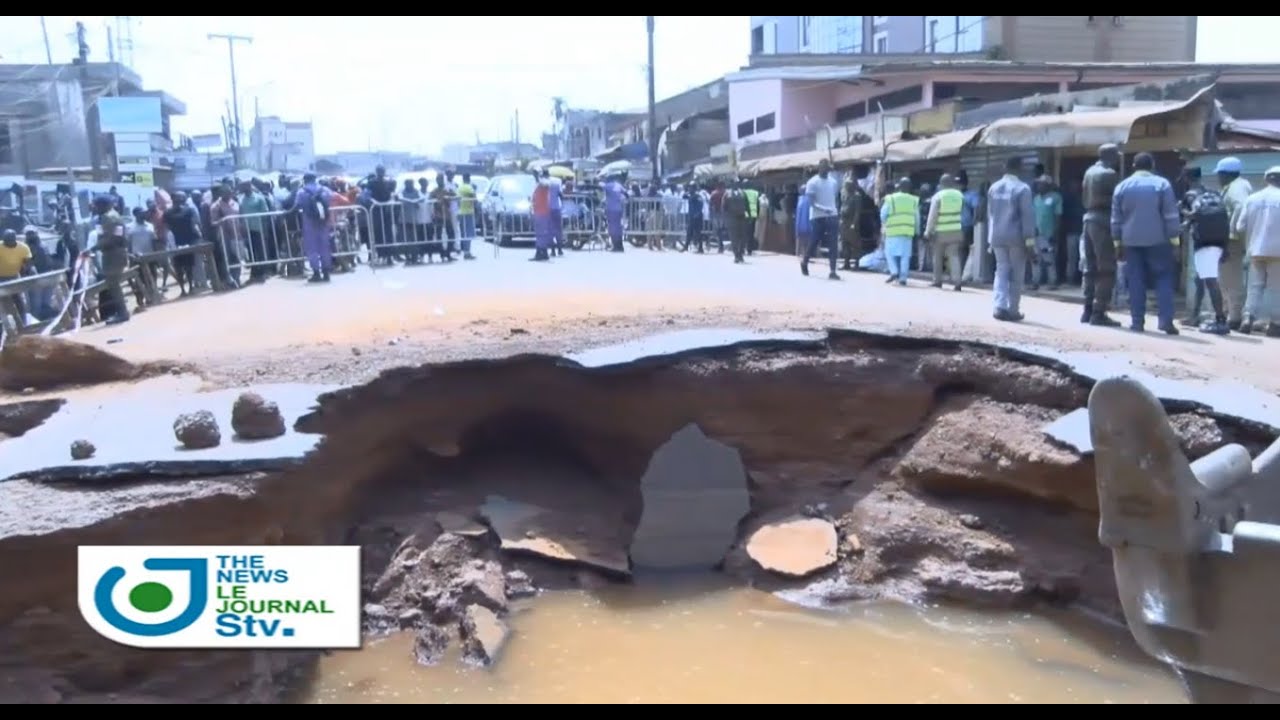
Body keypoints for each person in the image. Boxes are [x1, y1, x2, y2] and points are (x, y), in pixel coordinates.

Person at [1111, 152, 1181, 335]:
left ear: (1134, 166)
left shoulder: (1121, 187)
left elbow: (1115, 219)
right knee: (1164, 279)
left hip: (1131, 241)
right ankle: (1166, 321)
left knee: (1135, 280)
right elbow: (1171, 216)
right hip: (1159, 241)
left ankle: (1137, 322)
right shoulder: (1162, 185)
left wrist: (1117, 243)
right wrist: (1175, 241)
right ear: (1152, 166)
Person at [1180, 167, 1231, 334]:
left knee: (1210, 281)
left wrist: (1182, 211)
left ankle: (1220, 321)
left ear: (1187, 178)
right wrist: (1225, 247)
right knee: (1200, 278)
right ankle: (1195, 316)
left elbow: (1189, 219)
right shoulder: (1213, 194)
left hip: (1203, 243)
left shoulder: (1190, 195)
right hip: (1218, 242)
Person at [986, 156, 1036, 322]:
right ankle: (1013, 309)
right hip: (1016, 238)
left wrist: (990, 240)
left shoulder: (994, 188)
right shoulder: (1023, 189)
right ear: (1020, 168)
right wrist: (1030, 243)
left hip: (997, 237)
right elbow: (1027, 218)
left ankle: (999, 307)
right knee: (1016, 274)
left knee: (1001, 271)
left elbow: (991, 216)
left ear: (1004, 167)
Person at [1234, 165, 1280, 337]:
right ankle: (1275, 324)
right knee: (1277, 288)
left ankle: (1248, 318)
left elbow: (1240, 226)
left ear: (1266, 179)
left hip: (1255, 250)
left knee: (1255, 287)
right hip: (1278, 252)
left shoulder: (1252, 199)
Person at [1081, 144, 1123, 326]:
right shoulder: (1109, 174)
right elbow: (1117, 200)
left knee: (1090, 268)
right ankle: (1099, 312)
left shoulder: (1089, 171)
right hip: (1103, 221)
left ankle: (1087, 309)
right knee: (1106, 269)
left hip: (1088, 219)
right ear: (1111, 156)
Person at [1215, 157, 1255, 330]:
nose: (1218, 178)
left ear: (1226, 174)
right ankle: (1228, 312)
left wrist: (1233, 230)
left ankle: (1235, 316)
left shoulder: (1237, 187)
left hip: (1232, 240)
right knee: (1225, 278)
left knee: (1231, 278)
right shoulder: (1235, 186)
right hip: (1229, 240)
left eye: (1220, 174)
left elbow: (1240, 207)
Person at [84, 195, 130, 324]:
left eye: (95, 205)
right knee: (113, 285)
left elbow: (110, 239)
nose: (93, 208)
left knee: (113, 285)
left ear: (102, 205)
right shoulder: (113, 215)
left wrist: (92, 248)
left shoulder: (108, 217)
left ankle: (122, 313)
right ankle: (121, 311)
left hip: (112, 254)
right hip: (115, 253)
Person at [801, 159, 841, 280]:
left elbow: (834, 198)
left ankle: (833, 271)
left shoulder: (833, 182)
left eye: (828, 168)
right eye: (824, 167)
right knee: (814, 242)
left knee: (833, 244)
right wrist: (824, 209)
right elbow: (812, 203)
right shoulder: (812, 182)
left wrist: (834, 211)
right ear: (819, 168)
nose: (826, 170)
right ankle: (805, 262)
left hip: (832, 215)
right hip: (818, 217)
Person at [926, 173, 965, 291]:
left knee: (937, 257)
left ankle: (937, 281)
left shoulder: (938, 196)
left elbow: (932, 216)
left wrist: (928, 231)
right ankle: (957, 282)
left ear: (941, 184)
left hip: (940, 232)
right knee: (954, 256)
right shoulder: (959, 195)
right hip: (955, 230)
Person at [293, 173, 333, 283]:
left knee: (312, 248)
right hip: (323, 221)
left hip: (309, 222)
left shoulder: (302, 191)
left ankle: (316, 273)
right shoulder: (325, 190)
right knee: (325, 246)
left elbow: (297, 205)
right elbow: (331, 199)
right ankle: (326, 273)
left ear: (305, 180)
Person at [880, 177, 919, 286]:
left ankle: (894, 272)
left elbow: (883, 214)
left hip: (892, 230)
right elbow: (917, 217)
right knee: (905, 256)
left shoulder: (891, 199)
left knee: (889, 253)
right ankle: (903, 278)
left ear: (899, 187)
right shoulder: (913, 200)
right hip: (907, 232)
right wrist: (917, 231)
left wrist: (886, 224)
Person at [163, 191, 202, 296]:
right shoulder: (167, 213)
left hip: (188, 242)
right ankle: (182, 289)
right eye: (177, 197)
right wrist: (169, 243)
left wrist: (198, 236)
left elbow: (194, 224)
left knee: (189, 266)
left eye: (181, 198)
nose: (179, 199)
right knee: (178, 268)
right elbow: (167, 229)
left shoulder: (188, 210)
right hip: (175, 244)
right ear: (172, 199)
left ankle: (190, 287)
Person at [1031, 176, 1063, 290]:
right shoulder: (1036, 198)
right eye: (1038, 184)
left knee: (1049, 258)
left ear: (1048, 185)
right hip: (1036, 234)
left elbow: (1058, 216)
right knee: (1035, 258)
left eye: (1042, 184)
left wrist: (1055, 233)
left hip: (1048, 234)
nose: (1039, 186)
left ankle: (1052, 282)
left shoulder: (1056, 197)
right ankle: (1035, 282)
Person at [238, 181, 271, 281]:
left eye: (244, 186)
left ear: (249, 187)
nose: (242, 189)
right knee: (251, 252)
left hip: (258, 228)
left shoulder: (259, 198)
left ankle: (263, 272)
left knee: (260, 251)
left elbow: (265, 213)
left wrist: (265, 229)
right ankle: (254, 272)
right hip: (247, 230)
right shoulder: (241, 199)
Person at [723, 181, 749, 263]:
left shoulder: (743, 193)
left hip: (742, 217)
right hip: (732, 218)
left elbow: (747, 205)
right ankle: (736, 255)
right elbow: (724, 206)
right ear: (731, 184)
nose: (736, 185)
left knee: (743, 237)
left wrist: (748, 215)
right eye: (734, 183)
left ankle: (741, 254)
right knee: (734, 237)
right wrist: (726, 217)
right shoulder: (727, 194)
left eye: (737, 183)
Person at [531, 171, 553, 262]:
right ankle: (541, 253)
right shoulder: (538, 185)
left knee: (542, 234)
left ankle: (542, 253)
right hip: (538, 212)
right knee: (539, 234)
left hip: (543, 212)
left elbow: (544, 183)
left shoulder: (546, 183)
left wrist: (537, 177)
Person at [603, 174, 628, 253]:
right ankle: (620, 246)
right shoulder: (618, 185)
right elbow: (626, 194)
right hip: (619, 208)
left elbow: (601, 190)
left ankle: (616, 246)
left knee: (612, 227)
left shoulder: (608, 185)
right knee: (618, 227)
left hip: (611, 208)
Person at [457, 173, 478, 260]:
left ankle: (466, 251)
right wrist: (474, 189)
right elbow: (474, 197)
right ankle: (467, 252)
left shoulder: (460, 187)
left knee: (464, 233)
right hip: (467, 213)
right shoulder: (468, 187)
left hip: (461, 212)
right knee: (468, 234)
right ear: (469, 178)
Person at [685, 182, 706, 253]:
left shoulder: (697, 196)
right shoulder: (691, 195)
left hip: (697, 217)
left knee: (698, 233)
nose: (689, 189)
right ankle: (686, 246)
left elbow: (701, 205)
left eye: (690, 187)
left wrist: (697, 213)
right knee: (689, 232)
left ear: (694, 188)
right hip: (691, 216)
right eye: (689, 187)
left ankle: (700, 248)